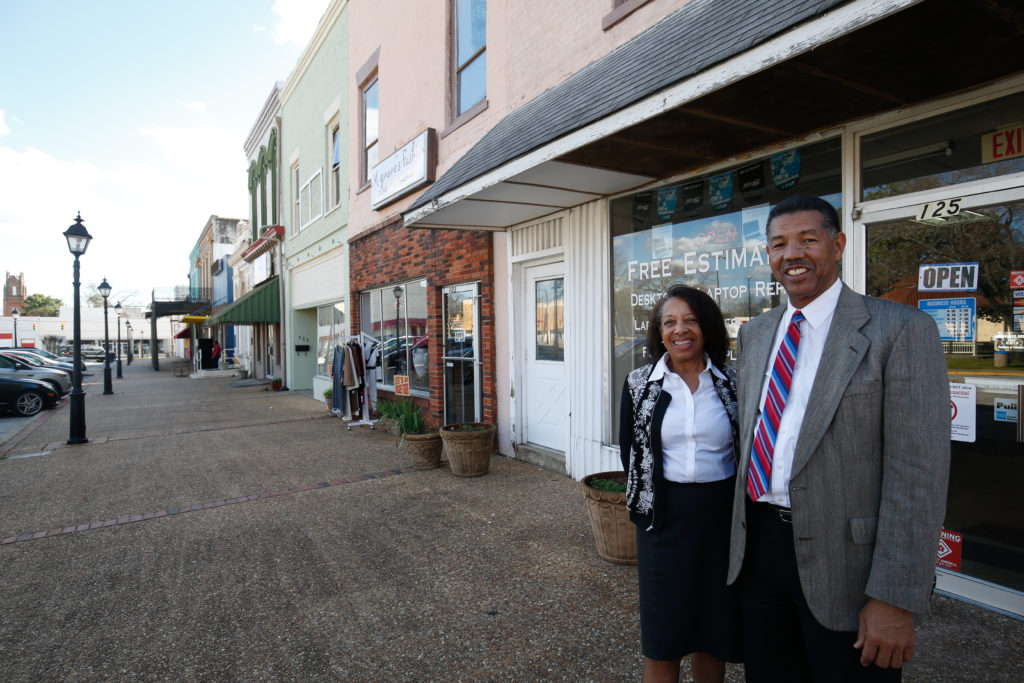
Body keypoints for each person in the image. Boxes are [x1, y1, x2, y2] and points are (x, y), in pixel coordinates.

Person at [727, 194, 951, 682]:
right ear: (767, 255)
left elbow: (919, 473)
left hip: (849, 565)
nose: (793, 254)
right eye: (779, 244)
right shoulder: (757, 334)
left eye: (809, 239)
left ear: (838, 244)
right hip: (759, 554)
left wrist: (895, 596)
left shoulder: (901, 330)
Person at [619, 285, 742, 683]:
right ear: (659, 331)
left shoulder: (732, 383)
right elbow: (630, 452)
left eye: (690, 320)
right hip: (663, 522)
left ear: (706, 327)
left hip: (721, 520)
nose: (680, 330)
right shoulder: (640, 385)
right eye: (669, 321)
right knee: (663, 639)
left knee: (713, 634)